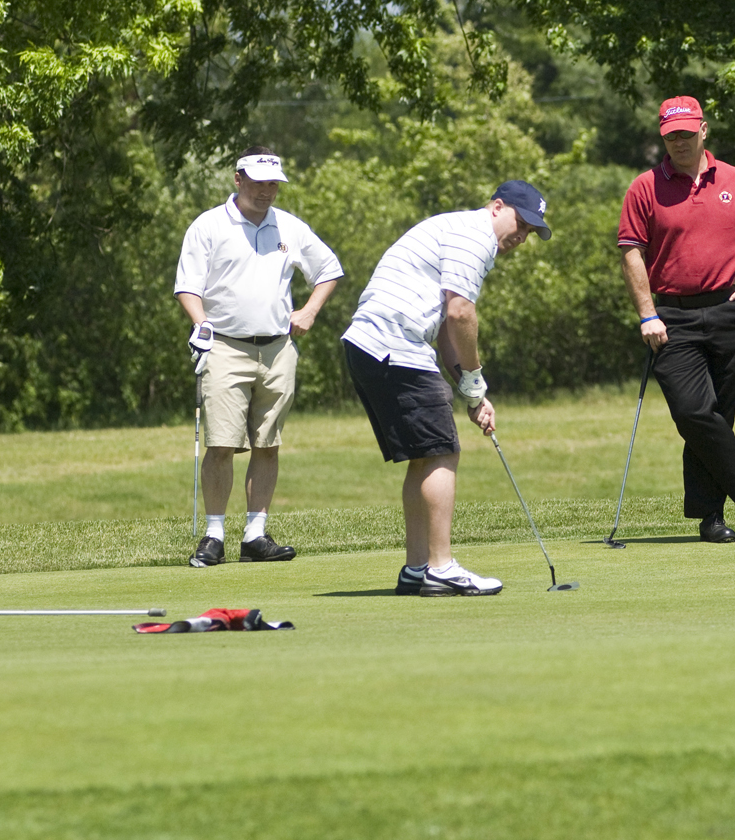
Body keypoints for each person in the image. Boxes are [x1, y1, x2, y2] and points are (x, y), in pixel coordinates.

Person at [341, 180, 551, 596]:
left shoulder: (458, 230)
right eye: (521, 223)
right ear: (497, 206)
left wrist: (473, 392)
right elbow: (460, 314)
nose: (522, 236)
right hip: (394, 344)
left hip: (374, 345)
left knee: (424, 456)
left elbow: (445, 332)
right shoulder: (474, 236)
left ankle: (417, 568)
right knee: (441, 451)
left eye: (531, 231)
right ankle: (440, 567)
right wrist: (474, 377)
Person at [618, 96, 735, 543]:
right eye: (670, 136)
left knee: (718, 416)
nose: (678, 142)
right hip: (671, 317)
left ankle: (711, 518)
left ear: (703, 130)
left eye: (685, 133)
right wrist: (646, 314)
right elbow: (631, 252)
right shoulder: (644, 188)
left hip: (729, 308)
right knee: (693, 413)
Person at [176, 147, 344, 568]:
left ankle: (255, 535)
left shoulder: (289, 226)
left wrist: (309, 311)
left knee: (267, 444)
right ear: (238, 179)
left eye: (273, 183)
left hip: (277, 349)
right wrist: (200, 324)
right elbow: (188, 286)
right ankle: (214, 535)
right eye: (258, 182)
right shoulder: (209, 225)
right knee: (221, 443)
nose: (266, 191)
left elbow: (329, 269)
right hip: (224, 345)